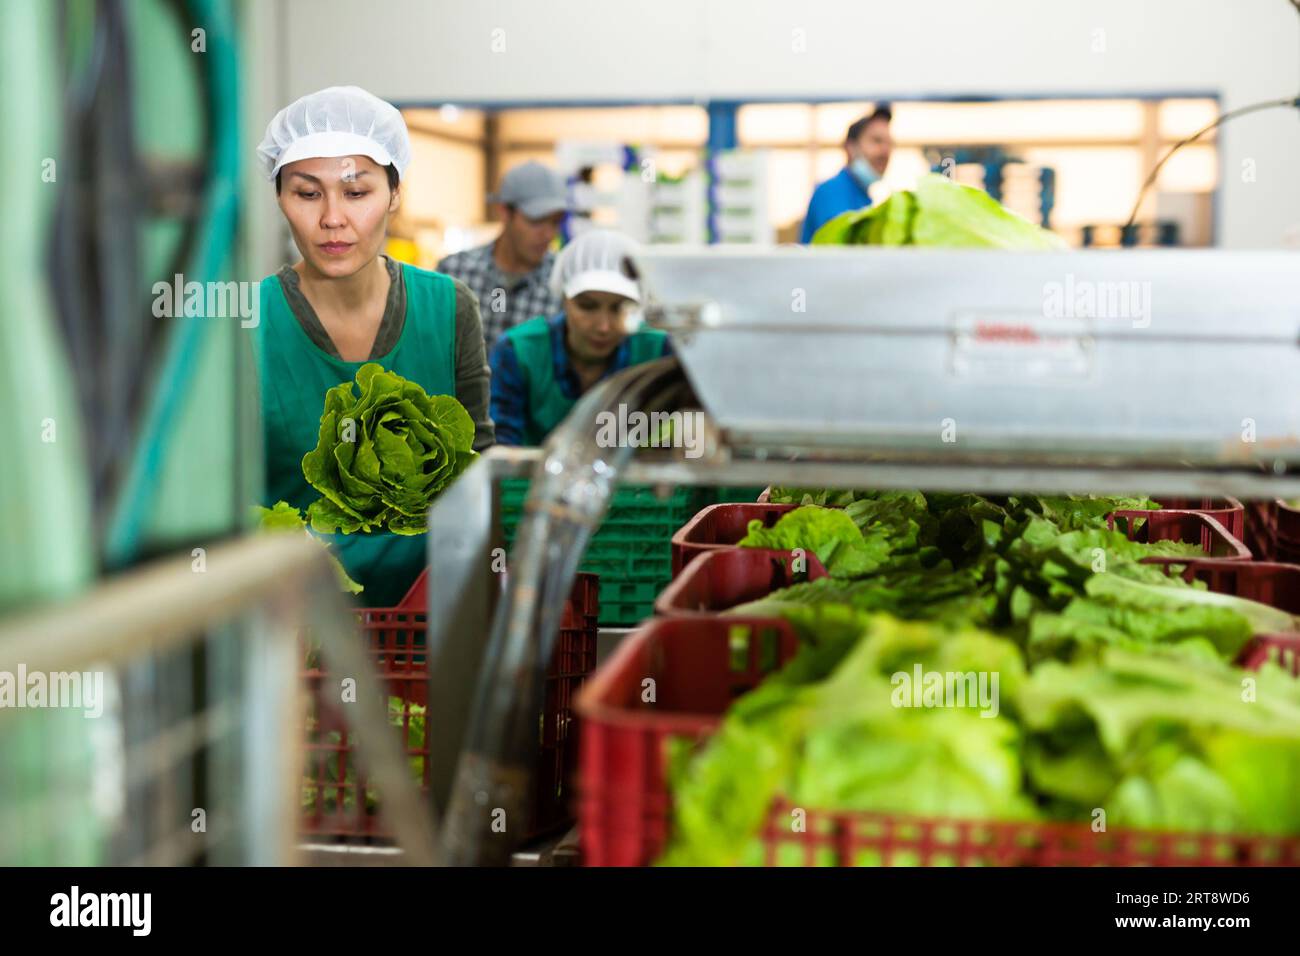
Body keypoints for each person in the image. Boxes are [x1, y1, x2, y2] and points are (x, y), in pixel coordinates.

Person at [254, 85, 494, 605]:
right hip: (293, 625)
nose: (332, 219)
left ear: (395, 194)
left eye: (356, 192)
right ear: (280, 199)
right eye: (307, 192)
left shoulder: (449, 308)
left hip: (427, 621)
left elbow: (478, 466)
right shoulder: (248, 322)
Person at [489, 228, 671, 446]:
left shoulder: (658, 352)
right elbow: (501, 450)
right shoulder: (518, 351)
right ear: (564, 298)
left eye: (619, 309)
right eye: (587, 306)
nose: (603, 327)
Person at [438, 161, 569, 354]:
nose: (548, 233)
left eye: (555, 222)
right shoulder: (455, 273)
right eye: (537, 221)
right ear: (504, 212)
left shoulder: (562, 281)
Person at [800, 105, 894, 243]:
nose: (885, 151)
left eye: (889, 143)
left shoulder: (864, 198)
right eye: (876, 141)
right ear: (850, 148)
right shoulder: (831, 193)